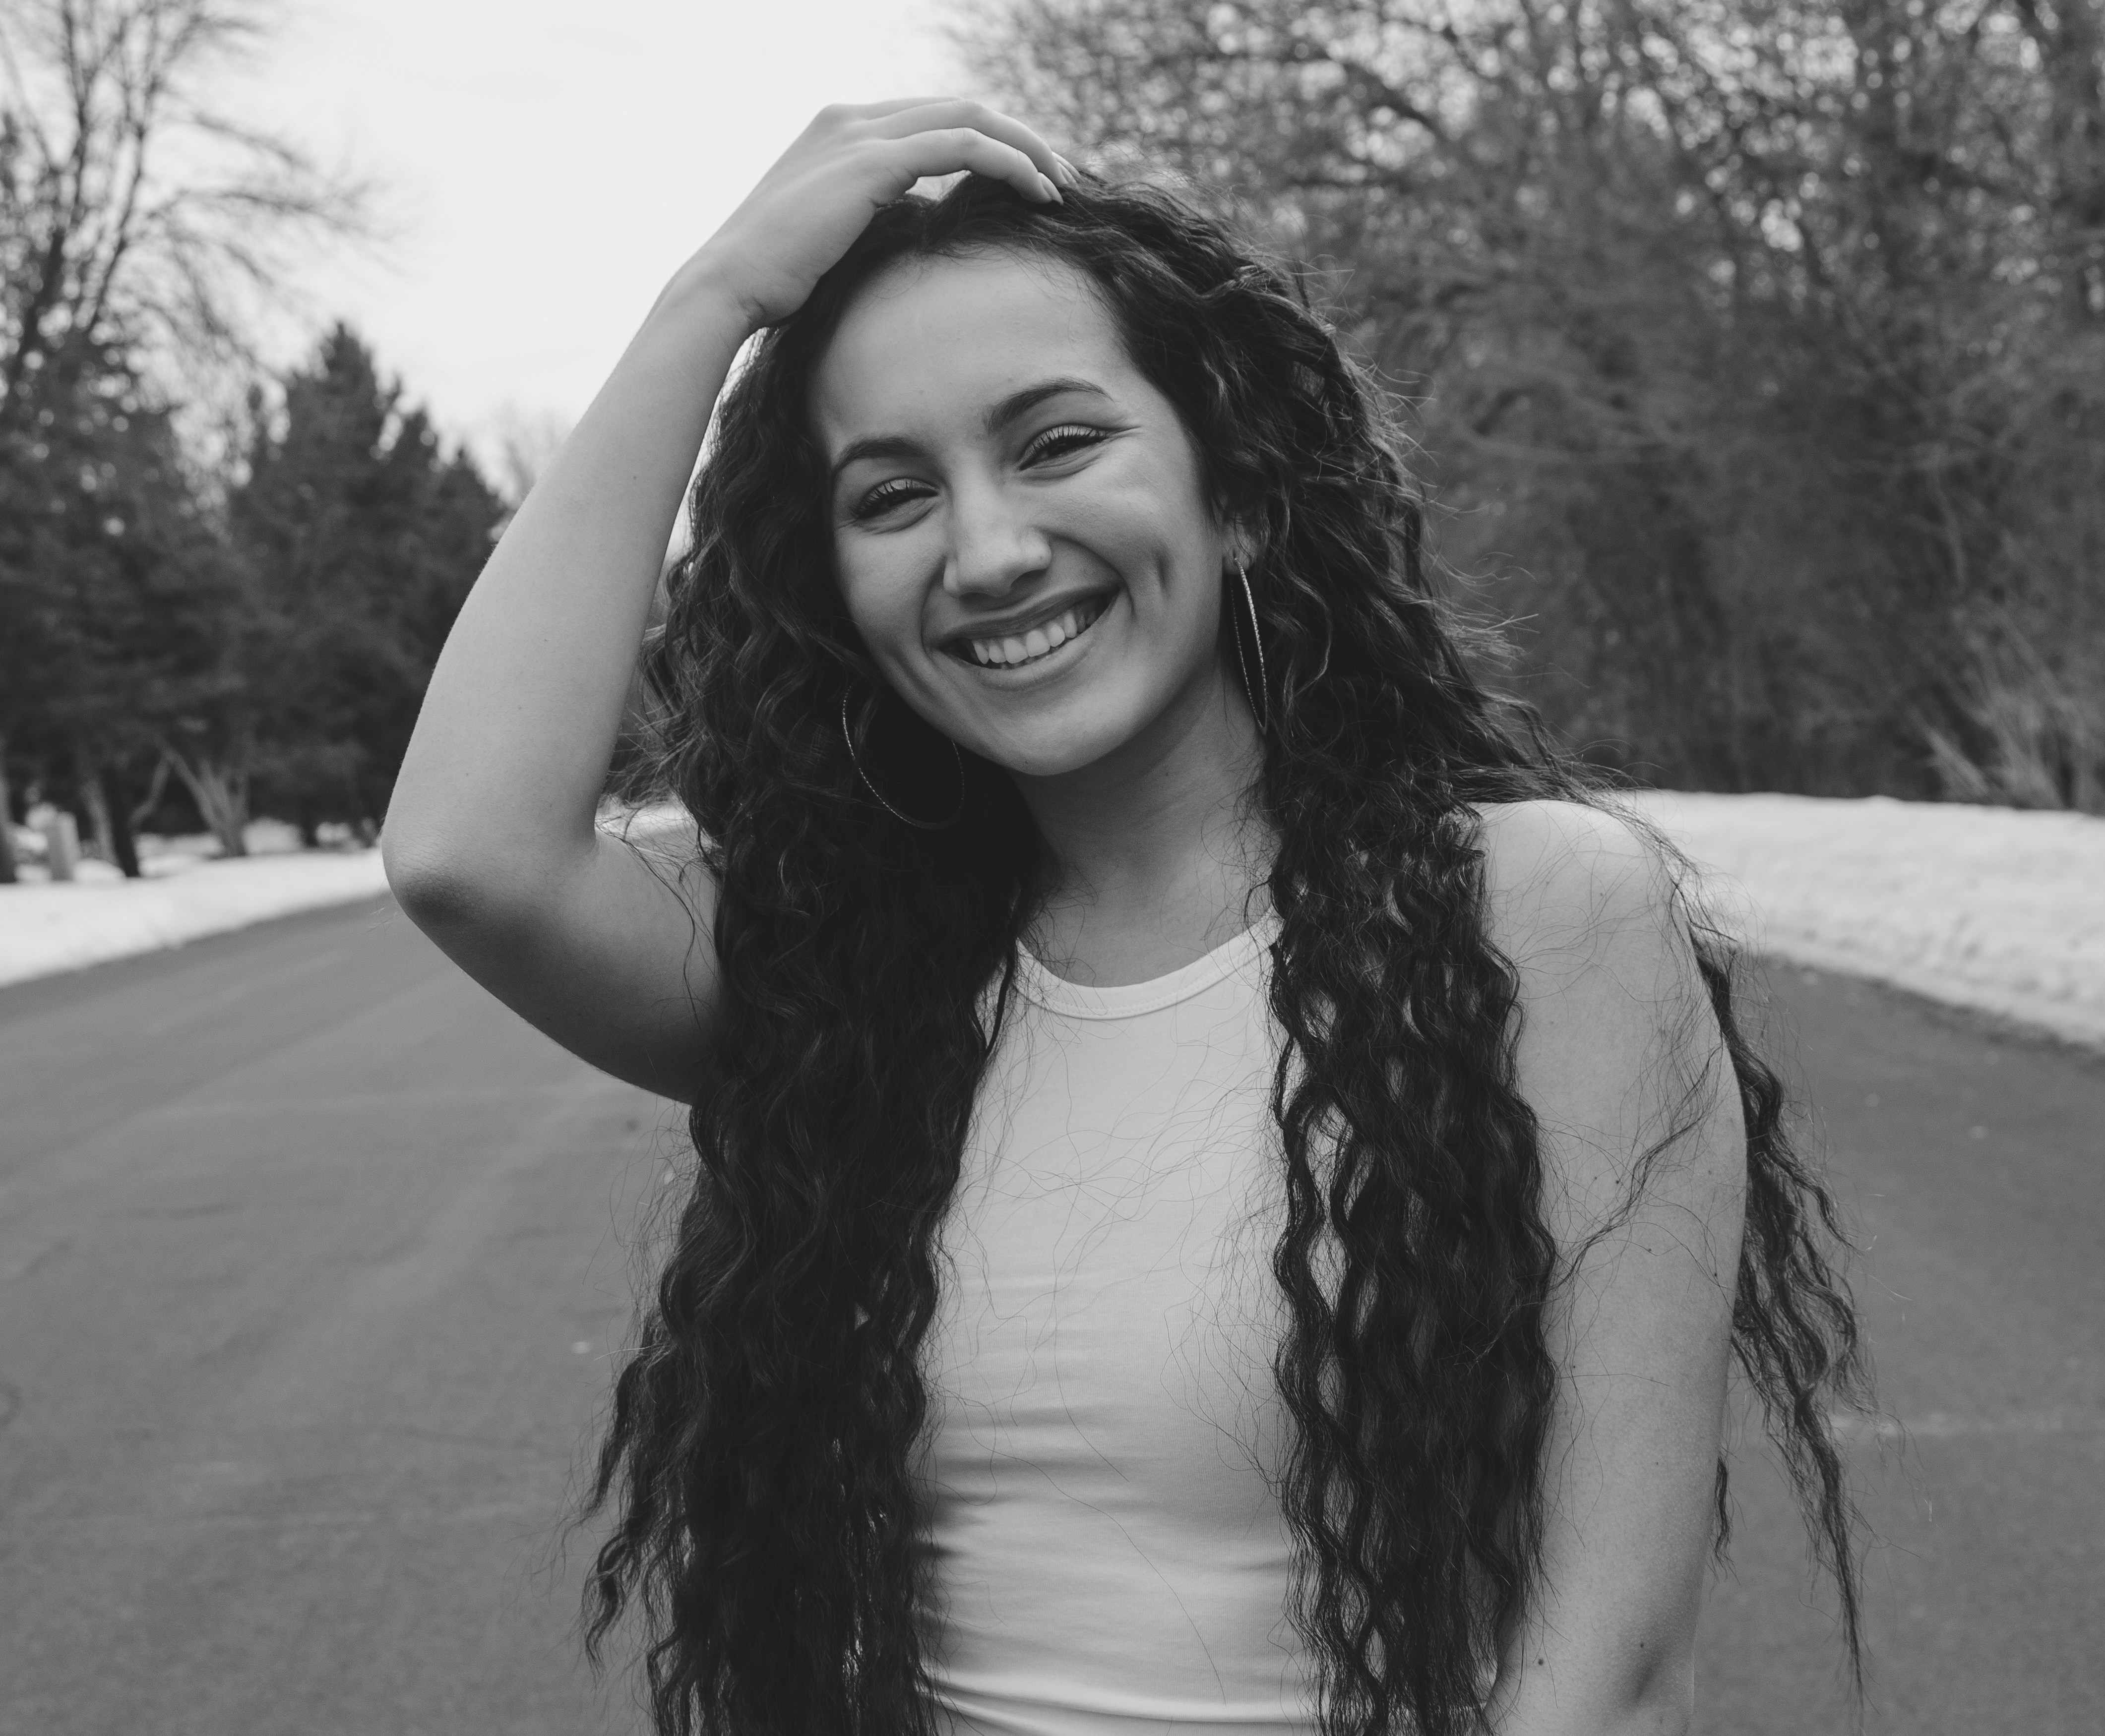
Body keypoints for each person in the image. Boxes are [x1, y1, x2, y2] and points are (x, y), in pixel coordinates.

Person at [383, 101, 1868, 1736]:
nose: (991, 549)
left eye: (1057, 442)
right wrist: (710, 299)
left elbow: (1612, 1667)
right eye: (892, 497)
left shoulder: (1532, 916)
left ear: (1233, 492)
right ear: (840, 592)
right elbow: (469, 854)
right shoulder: (854, 981)